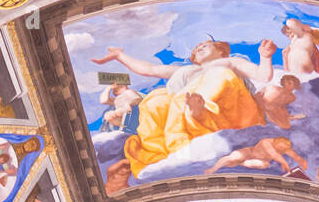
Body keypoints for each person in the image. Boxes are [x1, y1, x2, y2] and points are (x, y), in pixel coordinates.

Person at [90, 37, 276, 178]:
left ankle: (200, 110)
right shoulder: (185, 71)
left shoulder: (229, 62)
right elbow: (149, 69)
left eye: (206, 45)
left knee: (219, 74)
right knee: (156, 100)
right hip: (186, 111)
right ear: (193, 58)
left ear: (221, 51)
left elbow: (263, 75)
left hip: (229, 113)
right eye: (197, 48)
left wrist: (265, 56)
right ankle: (169, 148)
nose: (200, 47)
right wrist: (119, 55)